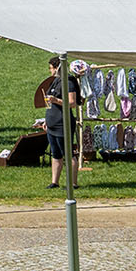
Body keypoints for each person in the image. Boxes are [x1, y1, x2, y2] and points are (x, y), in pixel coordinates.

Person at [43, 56, 83, 189]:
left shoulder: (69, 82)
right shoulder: (55, 81)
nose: (50, 71)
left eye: (51, 68)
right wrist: (46, 120)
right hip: (52, 123)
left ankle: (73, 183)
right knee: (56, 153)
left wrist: (56, 100)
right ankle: (55, 181)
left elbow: (72, 103)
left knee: (68, 153)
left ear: (57, 68)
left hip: (63, 123)